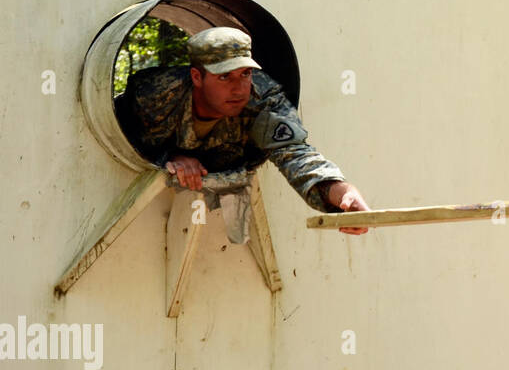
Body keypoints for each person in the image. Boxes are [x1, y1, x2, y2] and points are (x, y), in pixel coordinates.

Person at [115, 26, 370, 235]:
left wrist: (342, 192)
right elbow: (120, 139)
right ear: (196, 77)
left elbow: (295, 153)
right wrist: (168, 158)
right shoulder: (155, 95)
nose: (239, 89)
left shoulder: (263, 99)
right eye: (224, 77)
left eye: (245, 73)